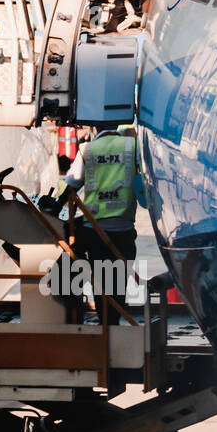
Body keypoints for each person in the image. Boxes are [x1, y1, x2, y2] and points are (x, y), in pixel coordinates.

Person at [50, 123, 143, 321]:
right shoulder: (132, 146)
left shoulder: (88, 149)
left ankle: (77, 318)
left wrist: (54, 205)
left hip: (95, 229)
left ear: (94, 127)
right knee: (115, 284)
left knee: (68, 275)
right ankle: (111, 327)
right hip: (123, 229)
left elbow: (72, 183)